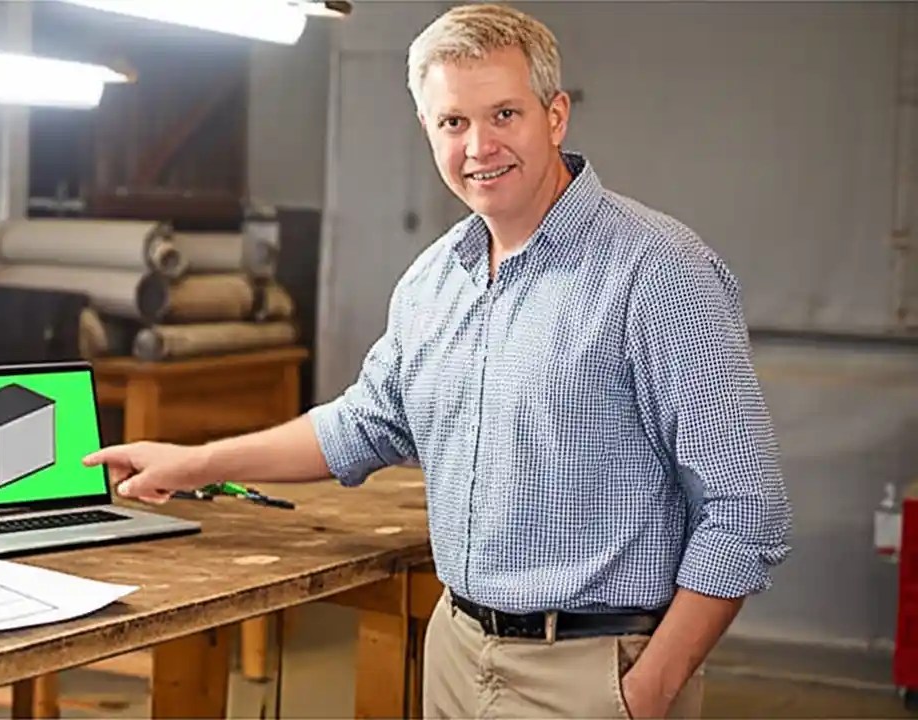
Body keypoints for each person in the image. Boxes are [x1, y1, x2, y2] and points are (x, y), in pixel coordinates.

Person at [83, 3, 792, 718]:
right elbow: (362, 425)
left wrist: (645, 691)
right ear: (428, 129)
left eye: (505, 114)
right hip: (455, 651)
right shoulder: (434, 279)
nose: (480, 145)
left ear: (556, 116)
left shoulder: (659, 271)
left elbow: (747, 511)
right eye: (454, 122)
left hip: (595, 670)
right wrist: (194, 462)